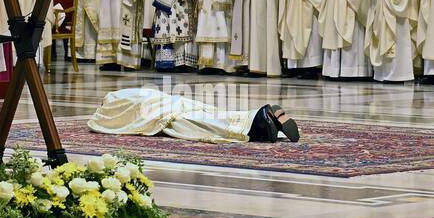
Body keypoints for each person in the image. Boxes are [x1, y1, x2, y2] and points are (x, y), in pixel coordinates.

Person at [88, 87, 300, 144]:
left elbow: (126, 122)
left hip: (164, 111)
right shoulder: (117, 98)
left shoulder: (109, 106)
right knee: (209, 113)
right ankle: (255, 117)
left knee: (197, 123)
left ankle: (257, 125)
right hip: (172, 104)